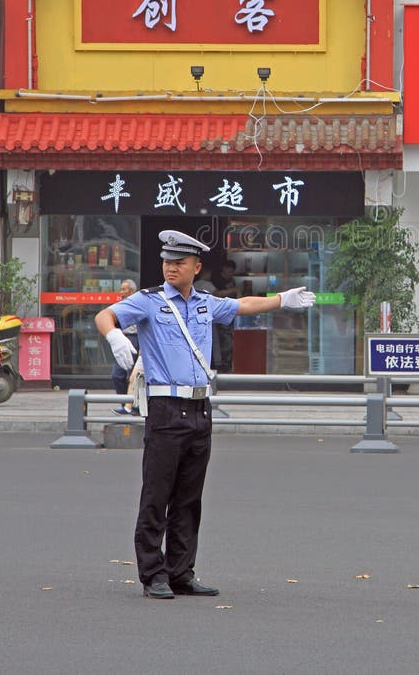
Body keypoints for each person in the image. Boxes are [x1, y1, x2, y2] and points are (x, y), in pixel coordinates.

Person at [95, 229, 315, 600]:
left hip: (199, 409)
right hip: (165, 408)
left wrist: (282, 299)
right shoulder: (148, 302)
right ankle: (154, 574)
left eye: (179, 263)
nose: (170, 268)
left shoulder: (205, 302)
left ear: (196, 267)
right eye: (167, 262)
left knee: (188, 498)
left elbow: (244, 305)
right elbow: (106, 315)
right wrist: (114, 336)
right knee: (156, 496)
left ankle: (181, 572)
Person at [109, 279, 138, 415]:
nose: (121, 292)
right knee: (117, 375)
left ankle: (133, 406)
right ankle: (125, 403)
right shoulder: (118, 306)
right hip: (121, 340)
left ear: (132, 291)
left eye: (124, 289)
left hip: (136, 340)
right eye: (120, 289)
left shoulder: (139, 305)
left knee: (132, 377)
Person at [210, 259, 238, 373]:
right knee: (222, 341)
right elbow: (216, 294)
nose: (230, 274)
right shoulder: (216, 280)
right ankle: (221, 364)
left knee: (229, 340)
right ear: (224, 269)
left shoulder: (232, 280)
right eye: (229, 271)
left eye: (232, 271)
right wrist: (233, 290)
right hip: (219, 314)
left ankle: (227, 363)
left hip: (230, 312)